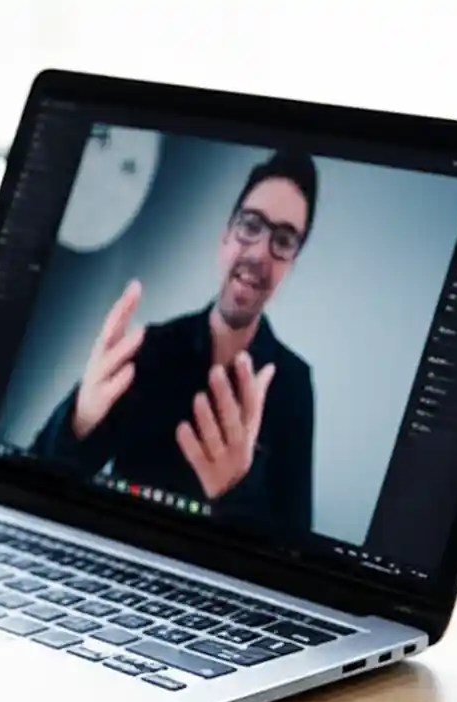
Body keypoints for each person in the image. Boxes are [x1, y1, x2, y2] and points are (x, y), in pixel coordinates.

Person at [31, 149, 317, 536]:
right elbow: (38, 487)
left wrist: (235, 492)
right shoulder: (151, 348)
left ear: (291, 265)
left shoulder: (294, 384)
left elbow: (296, 554)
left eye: (283, 240)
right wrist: (77, 422)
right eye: (251, 225)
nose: (259, 254)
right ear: (225, 237)